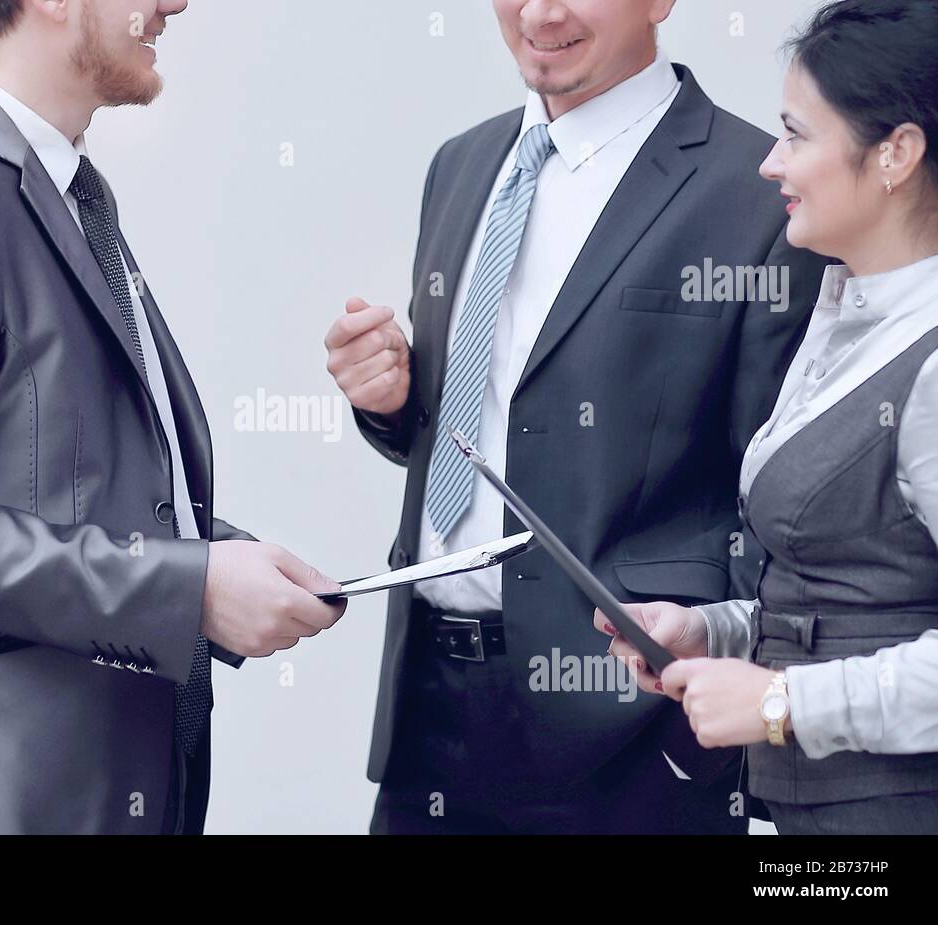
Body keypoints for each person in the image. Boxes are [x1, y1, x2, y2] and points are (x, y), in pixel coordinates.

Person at [0, 0, 344, 834]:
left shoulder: (67, 192)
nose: (176, 3)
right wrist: (189, 588)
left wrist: (217, 561)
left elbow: (64, 489)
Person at [325, 0, 830, 834]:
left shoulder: (759, 190)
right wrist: (389, 403)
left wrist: (692, 744)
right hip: (429, 716)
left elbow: (782, 504)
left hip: (629, 741)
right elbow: (488, 428)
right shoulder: (462, 163)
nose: (540, 11)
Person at [601, 0, 938, 836]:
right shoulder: (841, 306)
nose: (769, 162)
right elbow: (852, 599)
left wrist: (784, 699)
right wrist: (706, 631)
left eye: (796, 134)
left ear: (895, 153)